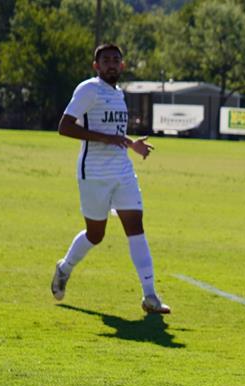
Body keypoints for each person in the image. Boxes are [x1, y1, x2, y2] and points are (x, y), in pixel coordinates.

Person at [49, 43, 170, 315]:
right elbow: (64, 127)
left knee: (135, 226)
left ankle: (150, 296)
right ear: (96, 66)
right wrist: (108, 139)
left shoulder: (119, 95)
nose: (112, 64)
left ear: (123, 65)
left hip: (122, 172)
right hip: (93, 174)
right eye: (106, 60)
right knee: (96, 234)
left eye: (116, 60)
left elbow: (114, 133)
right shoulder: (88, 89)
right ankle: (64, 268)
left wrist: (131, 145)